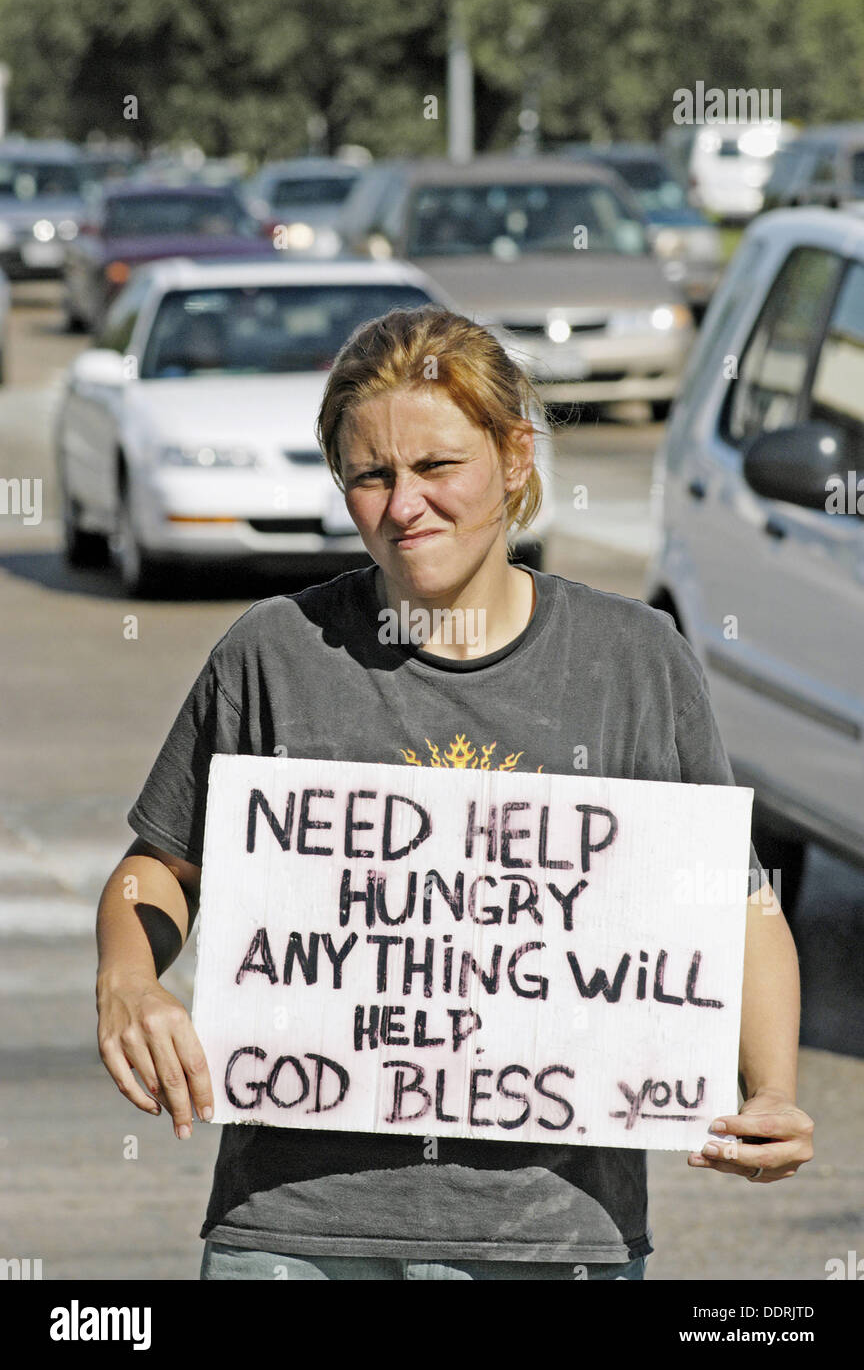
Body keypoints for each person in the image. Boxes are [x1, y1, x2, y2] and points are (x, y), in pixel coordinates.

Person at [95, 305, 814, 1282]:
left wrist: (770, 1088)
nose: (404, 506)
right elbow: (161, 866)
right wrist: (129, 981)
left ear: (517, 457)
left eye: (438, 468)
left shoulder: (635, 659)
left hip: (554, 1234)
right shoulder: (271, 654)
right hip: (295, 1235)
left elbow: (737, 906)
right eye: (371, 476)